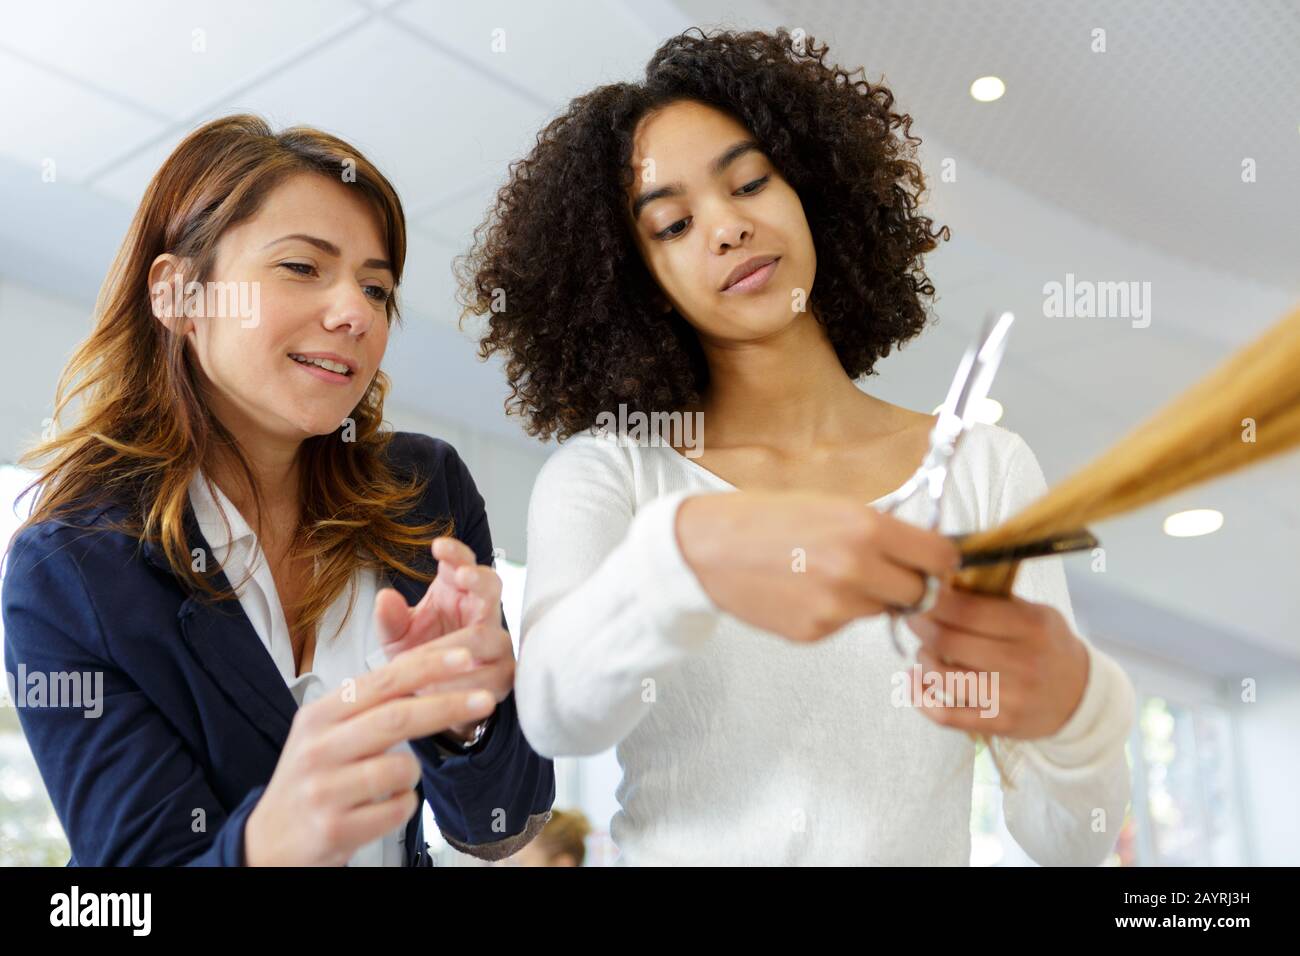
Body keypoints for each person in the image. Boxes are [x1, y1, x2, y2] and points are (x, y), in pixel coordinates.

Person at [458, 28, 1135, 865]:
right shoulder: (612, 472)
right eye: (672, 225)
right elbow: (560, 709)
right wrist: (685, 552)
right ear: (641, 284)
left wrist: (1079, 705)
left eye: (749, 183)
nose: (729, 228)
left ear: (811, 189)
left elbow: (1069, 843)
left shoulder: (982, 468)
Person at [1, 114, 553, 866]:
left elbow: (500, 827)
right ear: (179, 294)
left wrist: (469, 718)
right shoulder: (73, 570)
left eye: (377, 287)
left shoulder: (426, 492)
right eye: (301, 267)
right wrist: (268, 844)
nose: (355, 311)